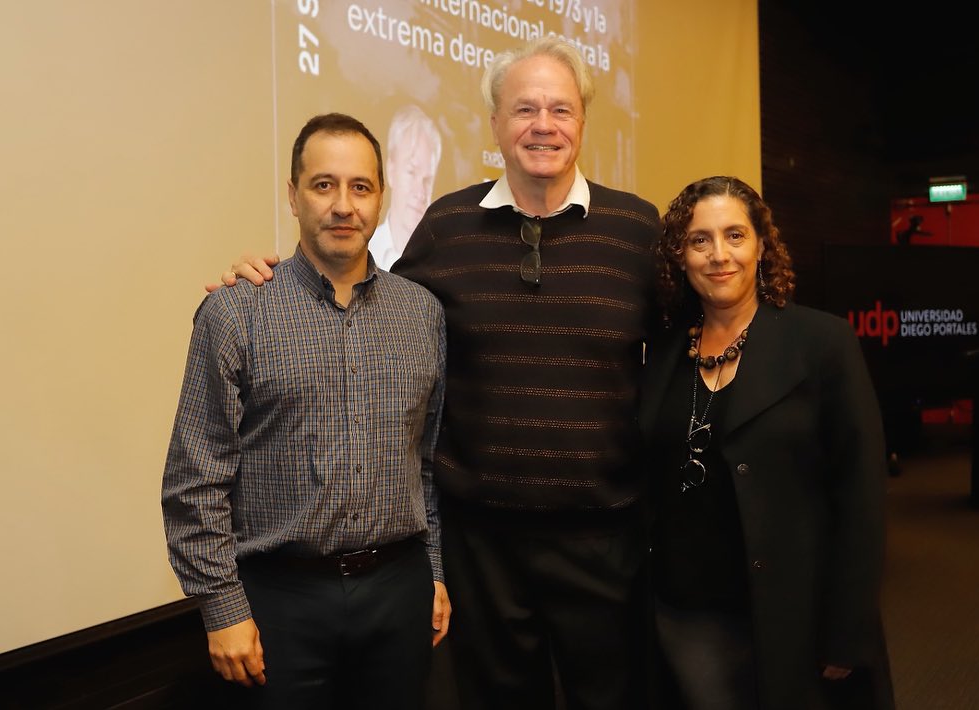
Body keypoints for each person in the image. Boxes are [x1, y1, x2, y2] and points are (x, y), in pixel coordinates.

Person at [216, 37, 661, 710]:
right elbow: (367, 302)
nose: (543, 126)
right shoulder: (448, 226)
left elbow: (690, 342)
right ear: (493, 126)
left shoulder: (635, 229)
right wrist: (272, 278)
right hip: (482, 546)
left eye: (560, 110)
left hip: (603, 539)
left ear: (582, 122)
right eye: (523, 110)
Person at [162, 112, 450, 709]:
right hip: (278, 600)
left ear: (379, 198)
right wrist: (221, 608)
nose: (343, 205)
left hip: (400, 591)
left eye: (360, 187)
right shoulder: (235, 312)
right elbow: (196, 478)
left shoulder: (423, 315)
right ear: (293, 196)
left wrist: (435, 569)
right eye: (324, 185)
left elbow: (426, 463)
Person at [640, 176, 894, 710]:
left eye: (735, 235)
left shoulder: (821, 343)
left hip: (791, 613)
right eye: (699, 240)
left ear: (761, 246)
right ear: (679, 257)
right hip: (687, 613)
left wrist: (849, 627)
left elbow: (861, 495)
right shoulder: (662, 352)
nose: (718, 255)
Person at [368, 104, 442, 270]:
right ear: (391, 170)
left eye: (427, 179)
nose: (420, 192)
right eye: (411, 172)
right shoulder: (363, 252)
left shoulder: (443, 262)